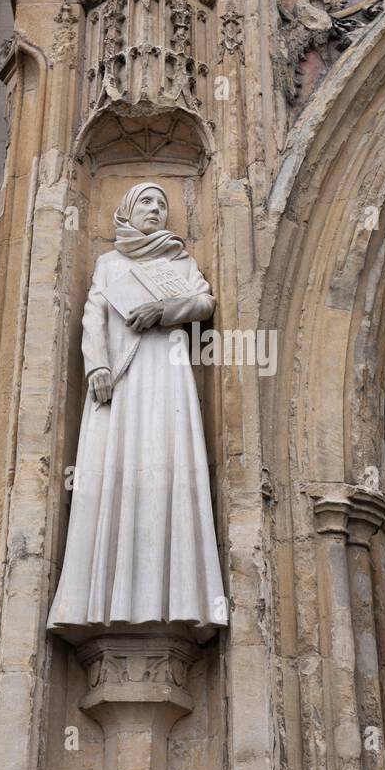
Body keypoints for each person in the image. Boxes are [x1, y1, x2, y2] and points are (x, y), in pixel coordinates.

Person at [46, 182, 229, 643]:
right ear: (128, 210)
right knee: (114, 469)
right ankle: (98, 600)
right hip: (120, 381)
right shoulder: (110, 263)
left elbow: (204, 302)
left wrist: (162, 310)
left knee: (167, 466)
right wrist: (97, 367)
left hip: (166, 373)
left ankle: (178, 598)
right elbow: (92, 317)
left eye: (162, 204)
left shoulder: (179, 262)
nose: (155, 209)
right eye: (146, 201)